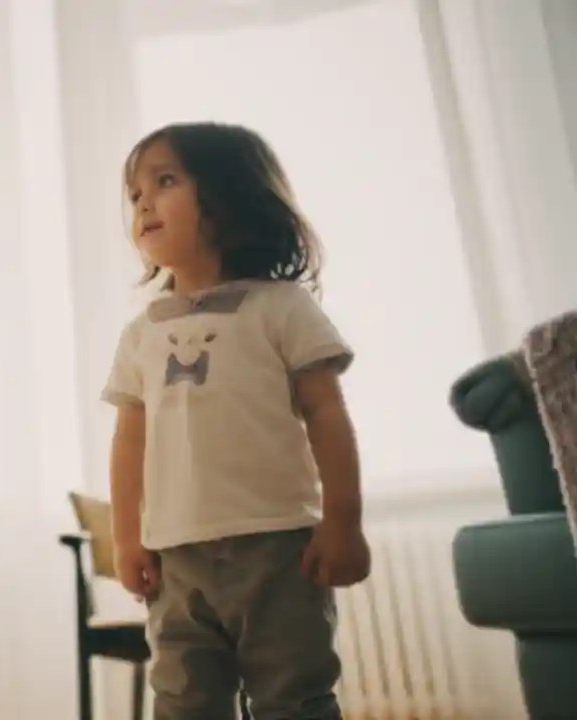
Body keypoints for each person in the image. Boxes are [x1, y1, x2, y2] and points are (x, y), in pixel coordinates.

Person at [103, 122, 372, 719]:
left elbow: (327, 414)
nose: (143, 201)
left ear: (230, 198)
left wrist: (343, 523)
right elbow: (129, 442)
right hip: (176, 560)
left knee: (293, 697)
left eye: (164, 181)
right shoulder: (141, 333)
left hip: (280, 551)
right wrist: (127, 538)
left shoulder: (282, 308)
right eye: (135, 193)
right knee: (183, 703)